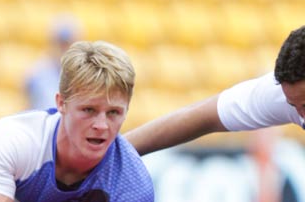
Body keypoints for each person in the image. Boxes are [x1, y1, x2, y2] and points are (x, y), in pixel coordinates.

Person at [0, 40, 154, 202]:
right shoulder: (16, 138)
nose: (101, 125)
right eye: (89, 110)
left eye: (113, 113)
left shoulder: (133, 188)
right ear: (61, 103)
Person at [124, 25, 305, 156]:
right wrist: (110, 155)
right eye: (293, 106)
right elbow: (203, 116)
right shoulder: (286, 95)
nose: (301, 115)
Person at [23, 15, 80, 112]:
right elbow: (27, 105)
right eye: (60, 43)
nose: (64, 48)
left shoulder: (82, 74)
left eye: (67, 44)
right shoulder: (36, 73)